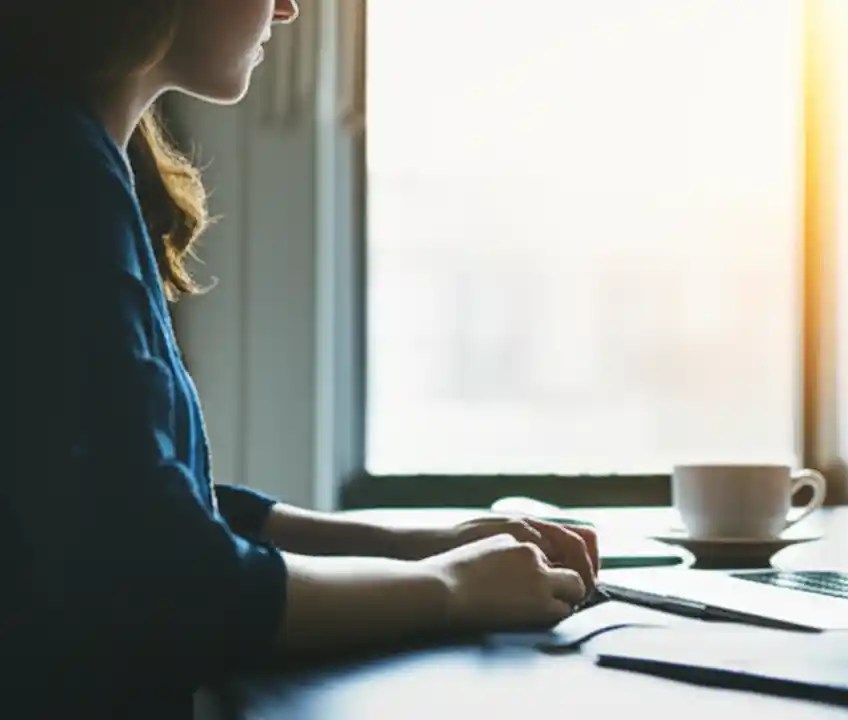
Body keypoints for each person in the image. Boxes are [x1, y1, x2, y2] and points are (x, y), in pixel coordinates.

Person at [0, 1, 599, 715]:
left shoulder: (70, 159)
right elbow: (167, 578)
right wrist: (451, 589)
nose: (287, 7)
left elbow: (133, 498)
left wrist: (413, 544)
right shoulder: (52, 183)